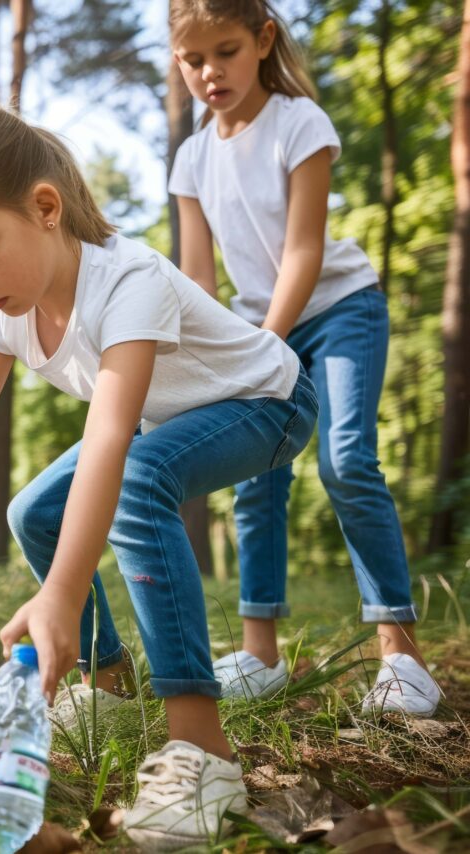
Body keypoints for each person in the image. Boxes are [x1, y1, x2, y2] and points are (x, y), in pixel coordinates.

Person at [0, 98, 318, 848]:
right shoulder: (4, 317)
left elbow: (111, 439)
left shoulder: (128, 283)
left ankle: (201, 749)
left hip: (266, 401)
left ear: (45, 208)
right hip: (164, 423)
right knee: (31, 512)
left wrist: (61, 592)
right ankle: (107, 682)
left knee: (140, 481)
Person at [168, 0, 438, 715]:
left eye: (225, 52)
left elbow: (304, 250)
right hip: (259, 328)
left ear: (262, 41)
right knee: (256, 479)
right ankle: (260, 654)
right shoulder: (192, 156)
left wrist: (265, 341)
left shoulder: (299, 123)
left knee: (346, 459)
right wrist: (216, 357)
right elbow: (199, 278)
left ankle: (402, 656)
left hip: (339, 310)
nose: (209, 72)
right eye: (193, 60)